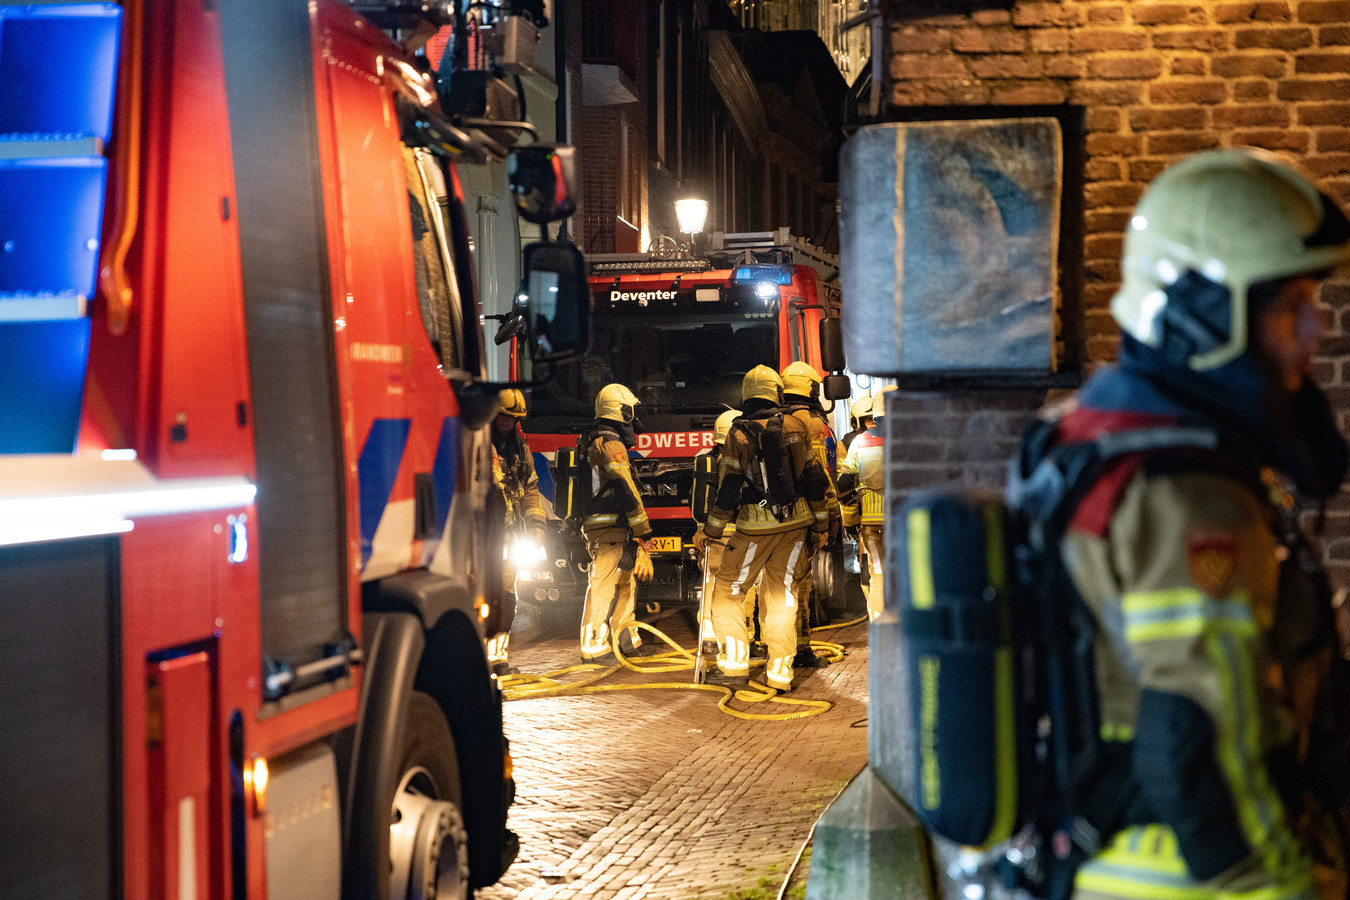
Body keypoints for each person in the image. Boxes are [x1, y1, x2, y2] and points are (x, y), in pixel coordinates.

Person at [1042, 148, 1350, 899]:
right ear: (1207, 312)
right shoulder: (1188, 495)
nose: (1316, 328)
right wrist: (1284, 885)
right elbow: (1205, 733)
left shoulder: (1094, 434)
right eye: (1289, 304)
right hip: (1200, 874)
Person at [697, 366, 831, 692]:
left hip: (752, 529)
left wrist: (710, 531)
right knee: (784, 597)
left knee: (728, 593)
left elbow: (728, 487)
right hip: (796, 525)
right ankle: (781, 675)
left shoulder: (738, 433)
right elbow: (814, 478)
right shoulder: (797, 426)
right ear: (776, 392)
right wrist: (821, 524)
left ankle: (735, 666)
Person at [578, 383, 654, 661]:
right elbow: (624, 486)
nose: (634, 419)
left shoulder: (596, 440)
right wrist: (644, 530)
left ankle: (626, 639)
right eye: (630, 412)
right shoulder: (610, 443)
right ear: (621, 412)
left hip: (612, 525)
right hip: (608, 525)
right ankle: (594, 644)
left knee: (625, 582)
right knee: (604, 584)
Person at [780, 361, 840, 667]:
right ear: (810, 389)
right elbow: (819, 475)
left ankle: (770, 645)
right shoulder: (812, 424)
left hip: (770, 517)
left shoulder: (772, 420)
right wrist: (829, 514)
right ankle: (800, 650)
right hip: (803, 515)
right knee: (800, 584)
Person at [487, 389, 546, 676]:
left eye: (513, 419)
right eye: (504, 417)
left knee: (506, 598)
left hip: (510, 537)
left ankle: (498, 660)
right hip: (482, 538)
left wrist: (536, 527)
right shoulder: (477, 444)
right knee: (484, 597)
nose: (508, 424)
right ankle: (477, 659)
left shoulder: (520, 449)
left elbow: (531, 491)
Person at [692, 408, 740, 663]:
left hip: (710, 536)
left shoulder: (707, 461)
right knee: (732, 589)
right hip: (730, 535)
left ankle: (708, 635)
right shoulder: (735, 463)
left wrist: (704, 529)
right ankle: (731, 639)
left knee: (710, 582)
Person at [838, 390, 886, 622]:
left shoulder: (860, 441)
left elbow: (844, 484)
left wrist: (849, 521)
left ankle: (878, 624)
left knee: (878, 574)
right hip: (903, 522)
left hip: (872, 524)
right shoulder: (908, 438)